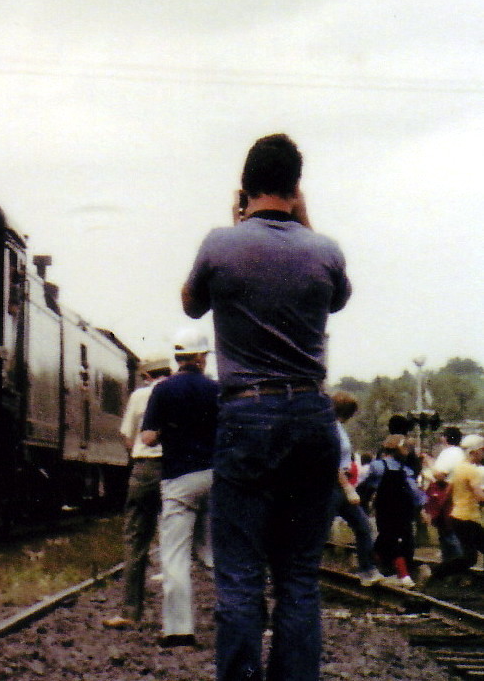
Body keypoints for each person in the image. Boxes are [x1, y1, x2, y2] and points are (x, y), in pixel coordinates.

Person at [182, 133, 352, 681]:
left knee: (240, 575)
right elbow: (340, 298)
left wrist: (233, 229)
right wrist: (305, 220)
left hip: (247, 415)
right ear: (296, 189)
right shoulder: (325, 248)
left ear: (243, 189)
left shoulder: (220, 242)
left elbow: (191, 305)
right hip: (311, 416)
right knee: (300, 577)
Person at [139, 327, 218, 648]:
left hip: (179, 479)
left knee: (174, 556)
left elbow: (147, 437)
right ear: (201, 357)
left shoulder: (163, 390)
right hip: (216, 477)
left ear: (178, 357)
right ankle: (242, 614)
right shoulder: (218, 389)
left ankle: (178, 630)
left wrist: (165, 431)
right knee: (216, 553)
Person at [102, 355, 174, 629]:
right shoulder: (178, 391)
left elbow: (126, 434)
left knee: (135, 540)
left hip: (145, 469)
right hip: (175, 470)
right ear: (168, 371)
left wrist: (138, 453)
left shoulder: (140, 395)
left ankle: (131, 612)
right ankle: (178, 616)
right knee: (181, 541)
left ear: (147, 376)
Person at [356, 416, 427, 588]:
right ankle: (401, 571)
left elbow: (365, 485)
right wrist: (422, 507)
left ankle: (390, 568)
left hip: (385, 507)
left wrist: (361, 501)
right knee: (401, 538)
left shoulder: (377, 466)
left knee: (388, 537)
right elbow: (415, 492)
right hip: (403, 508)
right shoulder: (406, 470)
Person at [330, 392, 382, 586]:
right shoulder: (332, 430)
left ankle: (368, 570)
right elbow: (332, 462)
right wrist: (348, 488)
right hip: (334, 486)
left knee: (363, 526)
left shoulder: (338, 428)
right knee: (318, 533)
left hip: (340, 485)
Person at [427, 433, 484, 582]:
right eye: (482, 450)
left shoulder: (459, 468)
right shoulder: (472, 471)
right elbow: (479, 495)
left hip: (457, 516)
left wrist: (439, 510)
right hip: (468, 518)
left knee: (470, 556)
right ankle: (436, 572)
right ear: (474, 452)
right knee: (469, 558)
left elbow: (448, 491)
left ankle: (437, 573)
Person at [428, 426, 464, 562]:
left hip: (446, 494)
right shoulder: (460, 453)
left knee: (448, 532)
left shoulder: (449, 453)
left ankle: (457, 564)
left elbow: (439, 474)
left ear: (446, 438)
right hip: (457, 494)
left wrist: (429, 463)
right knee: (449, 531)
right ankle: (449, 564)